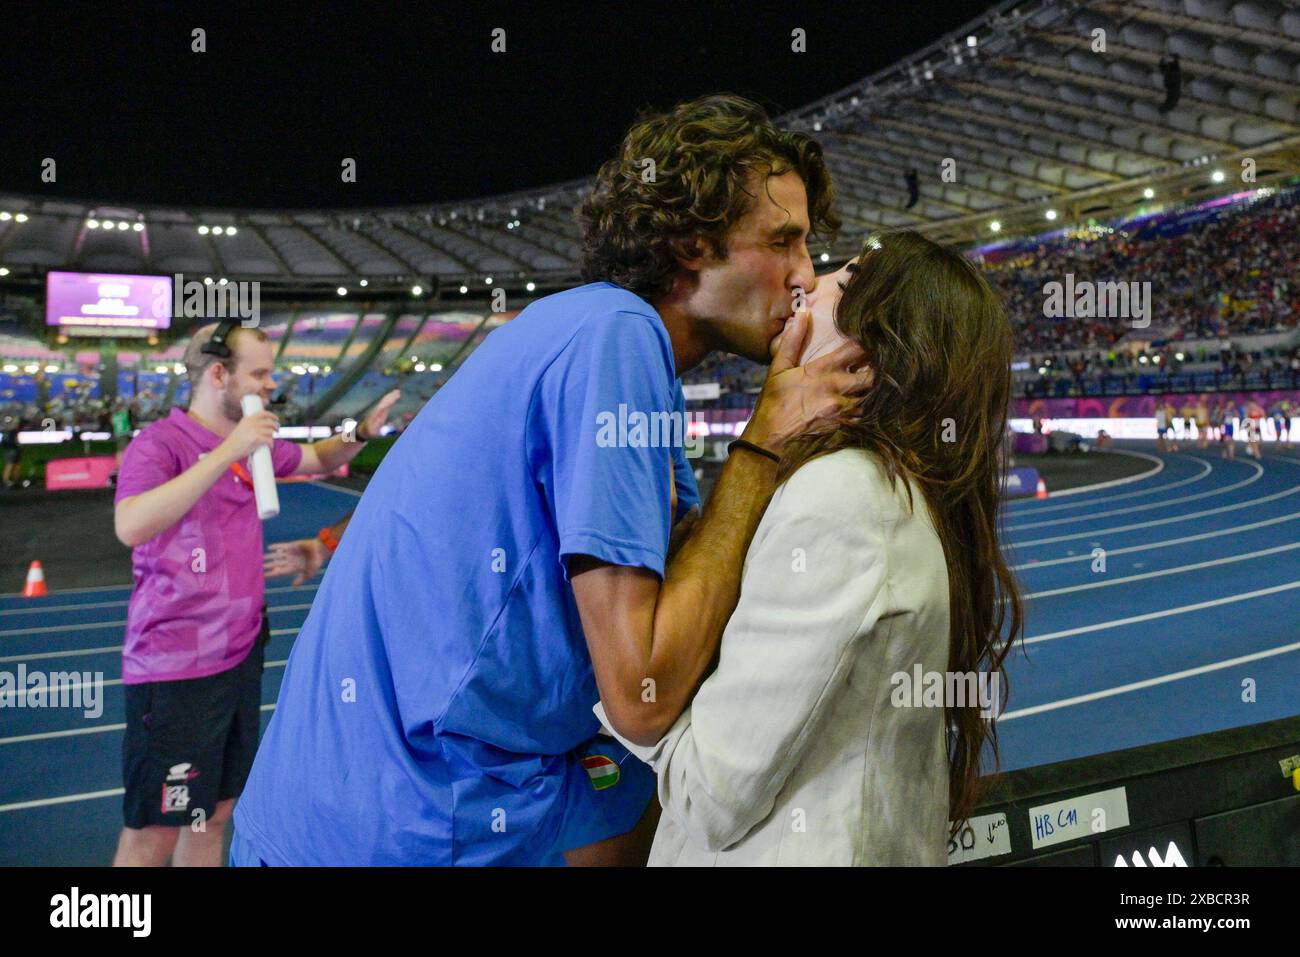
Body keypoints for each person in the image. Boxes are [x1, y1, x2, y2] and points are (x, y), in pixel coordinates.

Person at [231, 93, 872, 866]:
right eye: (784, 241)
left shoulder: (593, 336)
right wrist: (764, 442)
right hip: (402, 820)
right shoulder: (617, 338)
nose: (806, 276)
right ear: (691, 243)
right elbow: (644, 692)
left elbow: (680, 605)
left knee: (664, 788)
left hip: (358, 802)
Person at [594, 232, 1024, 865]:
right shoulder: (894, 495)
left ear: (870, 358)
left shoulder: (843, 499)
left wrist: (616, 667)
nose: (808, 284)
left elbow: (709, 795)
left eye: (841, 286)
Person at [110, 321, 398, 866]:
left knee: (215, 814)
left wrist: (359, 431)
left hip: (239, 656)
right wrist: (227, 452)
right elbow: (132, 524)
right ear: (218, 374)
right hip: (175, 667)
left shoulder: (256, 444)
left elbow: (317, 459)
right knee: (155, 829)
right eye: (259, 373)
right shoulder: (162, 443)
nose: (271, 384)